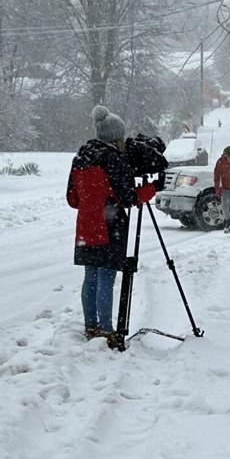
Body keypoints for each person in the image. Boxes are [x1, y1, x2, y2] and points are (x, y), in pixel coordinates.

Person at [66, 105, 156, 347]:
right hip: (109, 226)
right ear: (116, 137)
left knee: (91, 276)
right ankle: (107, 331)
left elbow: (72, 199)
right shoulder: (113, 159)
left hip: (86, 227)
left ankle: (91, 326)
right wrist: (152, 189)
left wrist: (92, 202)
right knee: (106, 276)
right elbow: (128, 198)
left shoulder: (80, 157)